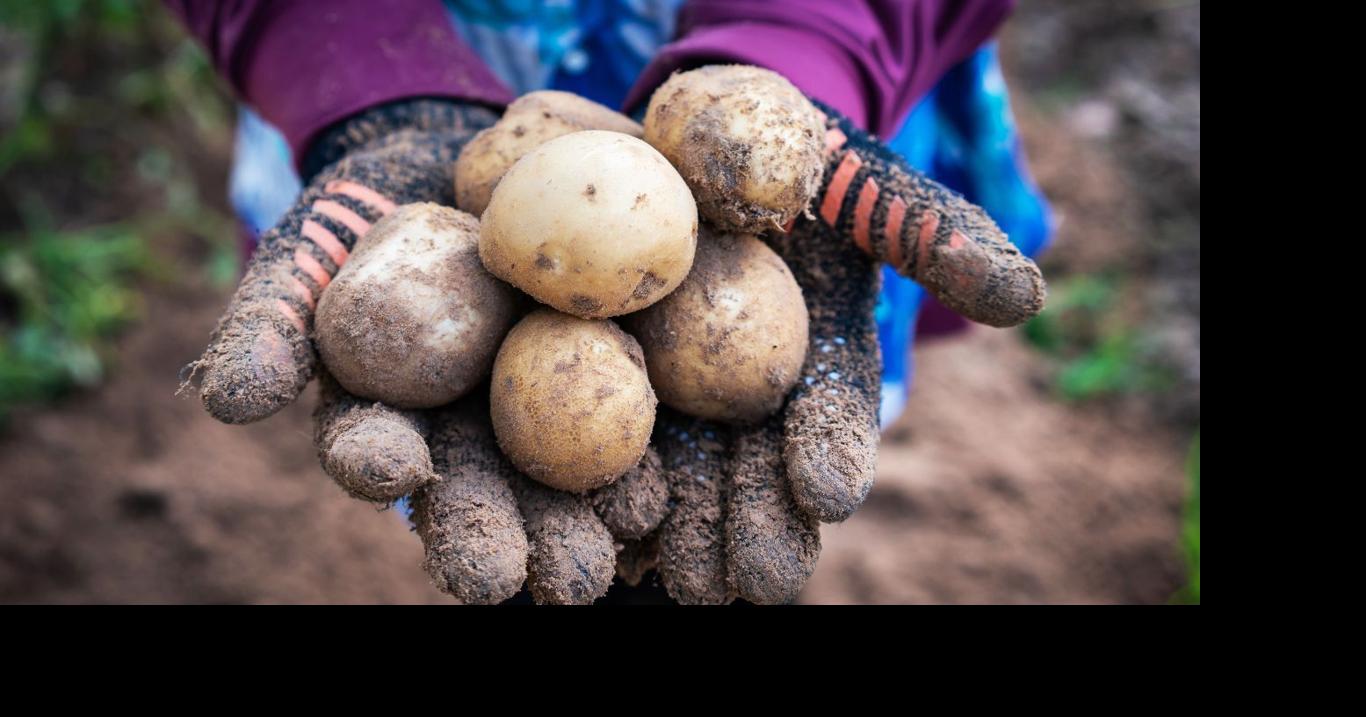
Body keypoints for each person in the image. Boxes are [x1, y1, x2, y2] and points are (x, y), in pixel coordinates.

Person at [167, 0, 1052, 604]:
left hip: (790, 44)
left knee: (753, 504)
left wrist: (806, 42)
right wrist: (353, 73)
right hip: (382, 49)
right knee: (500, 533)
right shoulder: (501, 212)